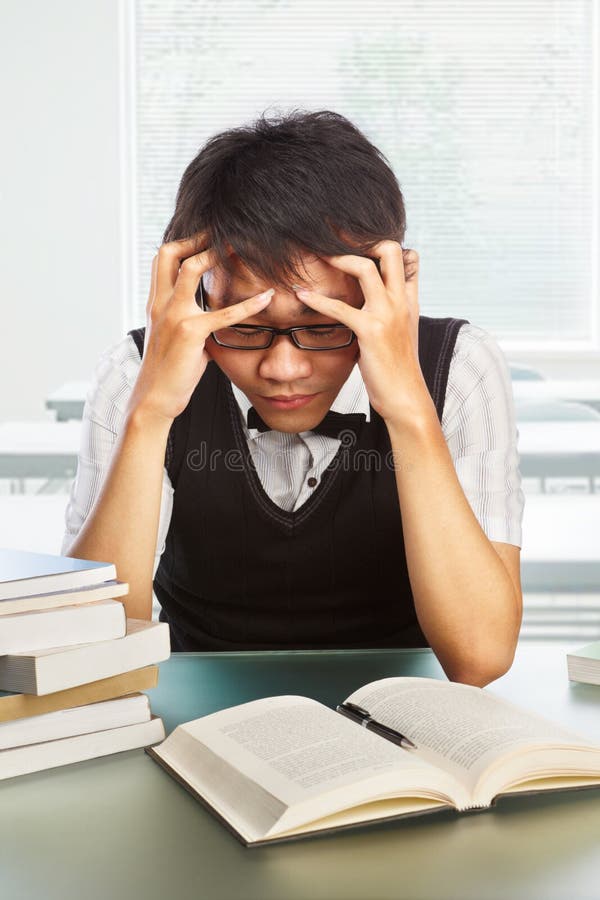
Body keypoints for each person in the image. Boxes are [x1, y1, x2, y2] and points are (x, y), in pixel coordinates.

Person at [62, 109, 524, 686]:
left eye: (325, 325)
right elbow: (91, 654)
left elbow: (480, 656)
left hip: (403, 710)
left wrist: (408, 407)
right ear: (197, 297)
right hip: (198, 712)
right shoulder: (135, 372)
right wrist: (150, 413)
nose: (283, 369)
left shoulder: (459, 368)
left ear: (385, 297)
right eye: (245, 326)